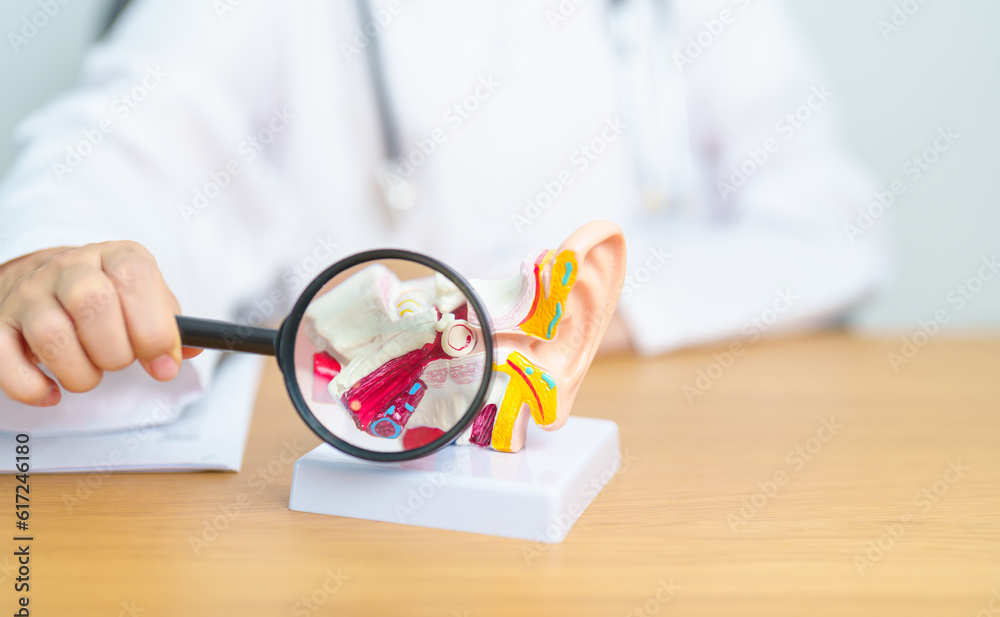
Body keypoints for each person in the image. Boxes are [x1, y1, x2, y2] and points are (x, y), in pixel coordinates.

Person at [0, 0, 886, 410]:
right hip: (334, 471)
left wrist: (573, 315)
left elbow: (829, 221)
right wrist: (54, 255)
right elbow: (122, 136)